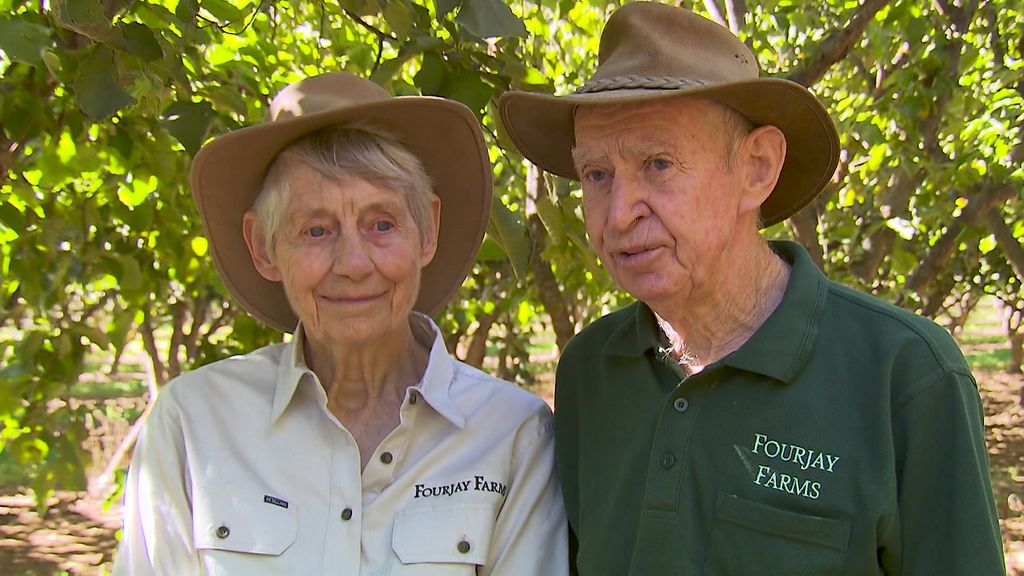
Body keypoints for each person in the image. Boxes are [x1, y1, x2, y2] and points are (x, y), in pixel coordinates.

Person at [498, 3, 1005, 575]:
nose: (617, 214)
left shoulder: (907, 376)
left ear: (757, 168)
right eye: (596, 174)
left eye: (658, 163)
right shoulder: (591, 369)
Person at [114, 72, 567, 575]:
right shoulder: (192, 425)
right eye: (315, 229)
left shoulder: (511, 436)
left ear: (427, 231)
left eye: (381, 224)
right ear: (263, 247)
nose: (352, 262)